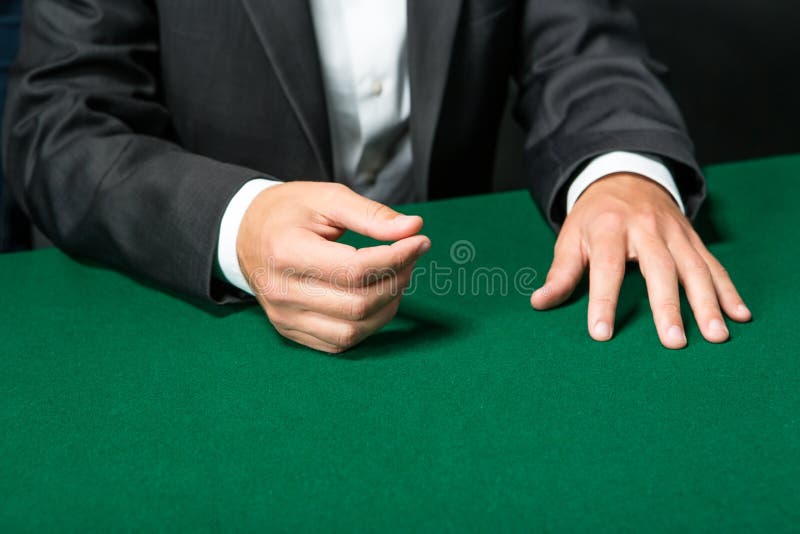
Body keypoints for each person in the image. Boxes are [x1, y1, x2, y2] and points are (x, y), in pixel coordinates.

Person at [2, 0, 750, 353]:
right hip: (184, 343)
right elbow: (60, 119)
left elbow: (583, 48)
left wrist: (620, 172)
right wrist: (238, 224)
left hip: (456, 304)